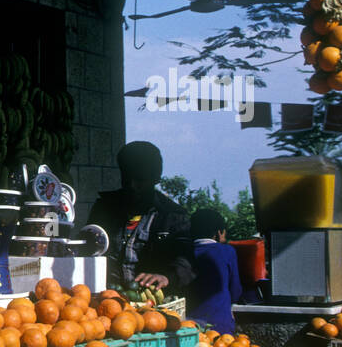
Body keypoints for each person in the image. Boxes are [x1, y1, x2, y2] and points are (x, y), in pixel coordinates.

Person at [86, 142, 194, 294]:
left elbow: (186, 261)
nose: (131, 186)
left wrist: (167, 277)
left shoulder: (173, 216)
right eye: (127, 178)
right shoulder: (104, 208)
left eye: (140, 180)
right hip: (104, 299)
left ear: (156, 178)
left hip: (150, 304)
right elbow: (86, 248)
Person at [186, 208, 242, 334]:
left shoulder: (184, 252)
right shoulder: (227, 251)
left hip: (189, 326)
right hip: (220, 326)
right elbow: (235, 290)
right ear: (218, 233)